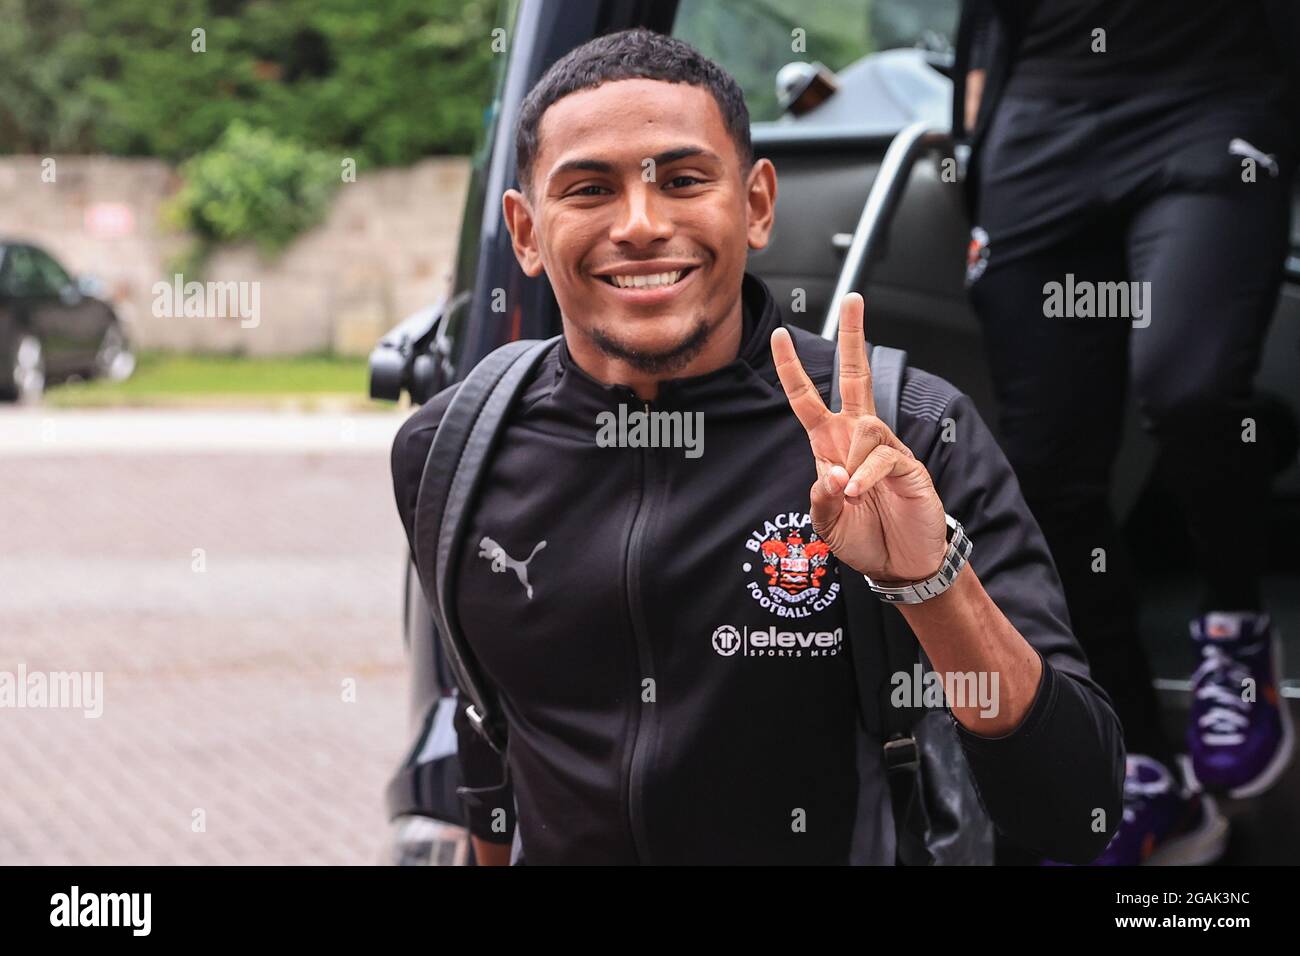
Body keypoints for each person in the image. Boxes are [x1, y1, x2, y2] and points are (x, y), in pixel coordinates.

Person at [391, 27, 1123, 865]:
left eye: (684, 180)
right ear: (524, 231)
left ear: (758, 204)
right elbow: (494, 754)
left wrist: (928, 583)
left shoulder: (911, 437)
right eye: (589, 189)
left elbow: (1079, 811)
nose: (640, 225)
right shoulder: (451, 451)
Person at [953, 0, 1298, 864]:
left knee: (1189, 385)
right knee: (1039, 470)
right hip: (1040, 118)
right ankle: (1142, 765)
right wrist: (977, 143)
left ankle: (1233, 624)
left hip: (1213, 96)